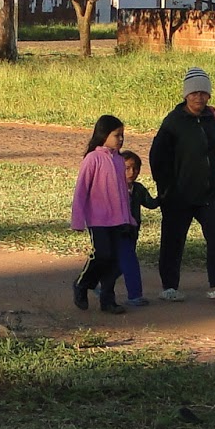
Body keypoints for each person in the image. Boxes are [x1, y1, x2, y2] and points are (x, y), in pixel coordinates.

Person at [148, 66, 215, 301]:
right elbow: (157, 157)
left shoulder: (213, 118)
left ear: (209, 94)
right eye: (193, 93)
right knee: (173, 240)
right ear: (185, 95)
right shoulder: (173, 122)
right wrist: (166, 189)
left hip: (209, 192)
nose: (198, 97)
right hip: (178, 195)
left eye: (203, 92)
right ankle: (169, 287)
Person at [70, 114, 133, 315]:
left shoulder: (119, 160)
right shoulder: (92, 159)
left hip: (118, 220)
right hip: (98, 220)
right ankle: (82, 284)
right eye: (116, 135)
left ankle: (108, 299)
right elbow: (81, 191)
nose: (120, 139)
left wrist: (128, 217)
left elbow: (123, 192)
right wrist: (77, 220)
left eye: (122, 135)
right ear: (103, 135)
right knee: (102, 254)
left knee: (114, 261)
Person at [117, 150, 159, 307]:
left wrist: (164, 194)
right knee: (130, 262)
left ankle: (95, 284)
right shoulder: (114, 187)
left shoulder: (138, 189)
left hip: (133, 232)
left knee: (118, 264)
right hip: (119, 231)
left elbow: (151, 204)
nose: (131, 172)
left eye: (135, 168)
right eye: (127, 168)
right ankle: (135, 295)